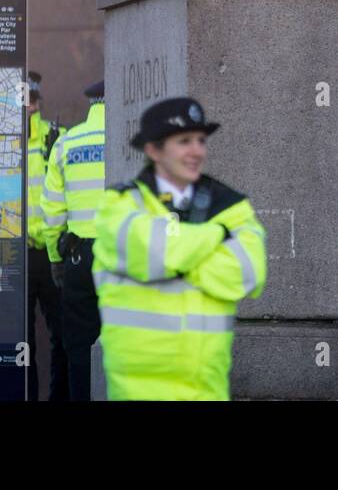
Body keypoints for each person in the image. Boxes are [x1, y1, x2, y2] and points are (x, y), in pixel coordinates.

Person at [93, 97, 267, 400]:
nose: (197, 151)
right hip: (139, 391)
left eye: (201, 140)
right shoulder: (119, 205)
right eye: (184, 141)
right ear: (153, 150)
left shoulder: (231, 205)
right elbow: (155, 253)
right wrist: (215, 235)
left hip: (207, 389)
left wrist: (178, 256)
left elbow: (248, 274)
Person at [40, 79, 106, 401]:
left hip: (80, 257)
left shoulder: (67, 143)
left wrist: (55, 260)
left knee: (79, 346)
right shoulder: (132, 139)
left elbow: (52, 213)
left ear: (92, 103)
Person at [24, 72, 66, 399]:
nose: (28, 108)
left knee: (61, 335)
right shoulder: (3, 142)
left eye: (32, 102)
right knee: (21, 341)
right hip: (19, 253)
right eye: (24, 102)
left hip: (52, 251)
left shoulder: (56, 138)